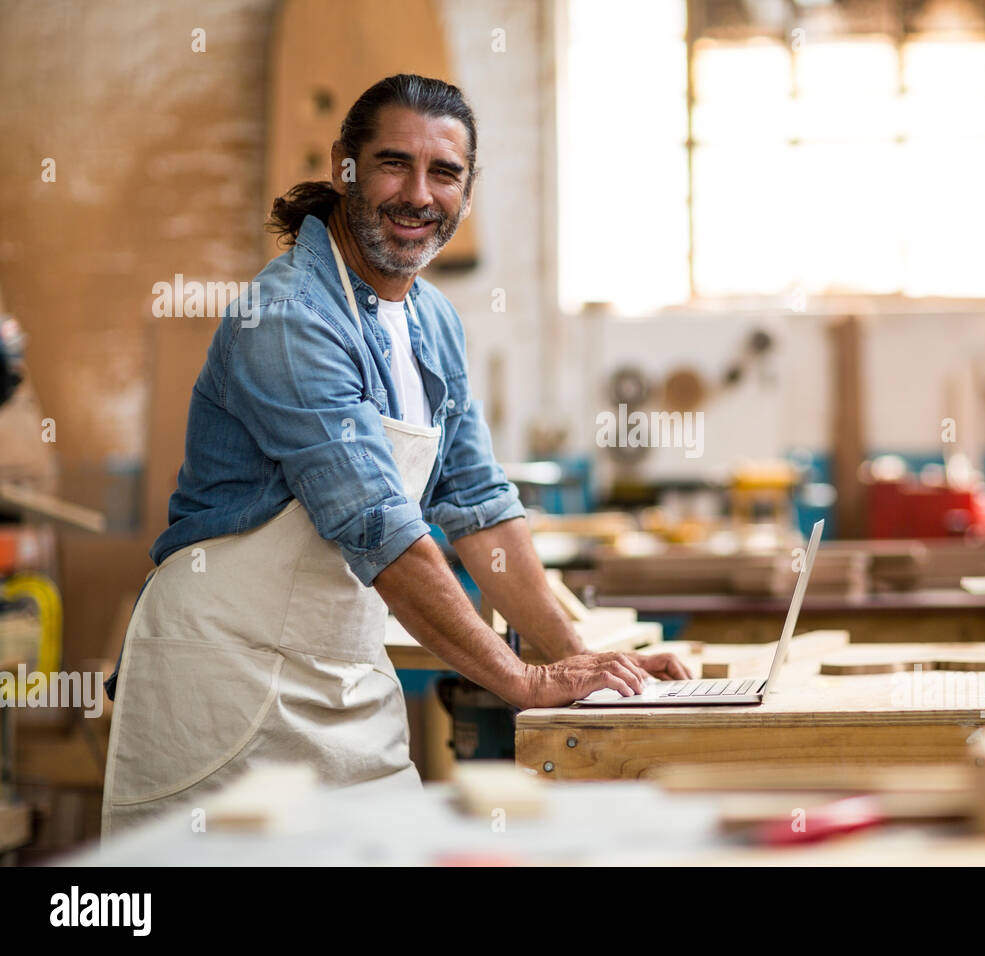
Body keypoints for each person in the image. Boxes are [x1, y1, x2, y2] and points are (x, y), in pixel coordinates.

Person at [101, 74, 687, 836]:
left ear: (468, 191)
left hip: (345, 679)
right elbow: (381, 531)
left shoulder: (433, 319)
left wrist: (587, 666)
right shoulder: (285, 317)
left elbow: (479, 506)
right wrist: (524, 679)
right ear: (344, 165)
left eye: (444, 172)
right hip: (224, 684)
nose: (418, 193)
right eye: (392, 164)